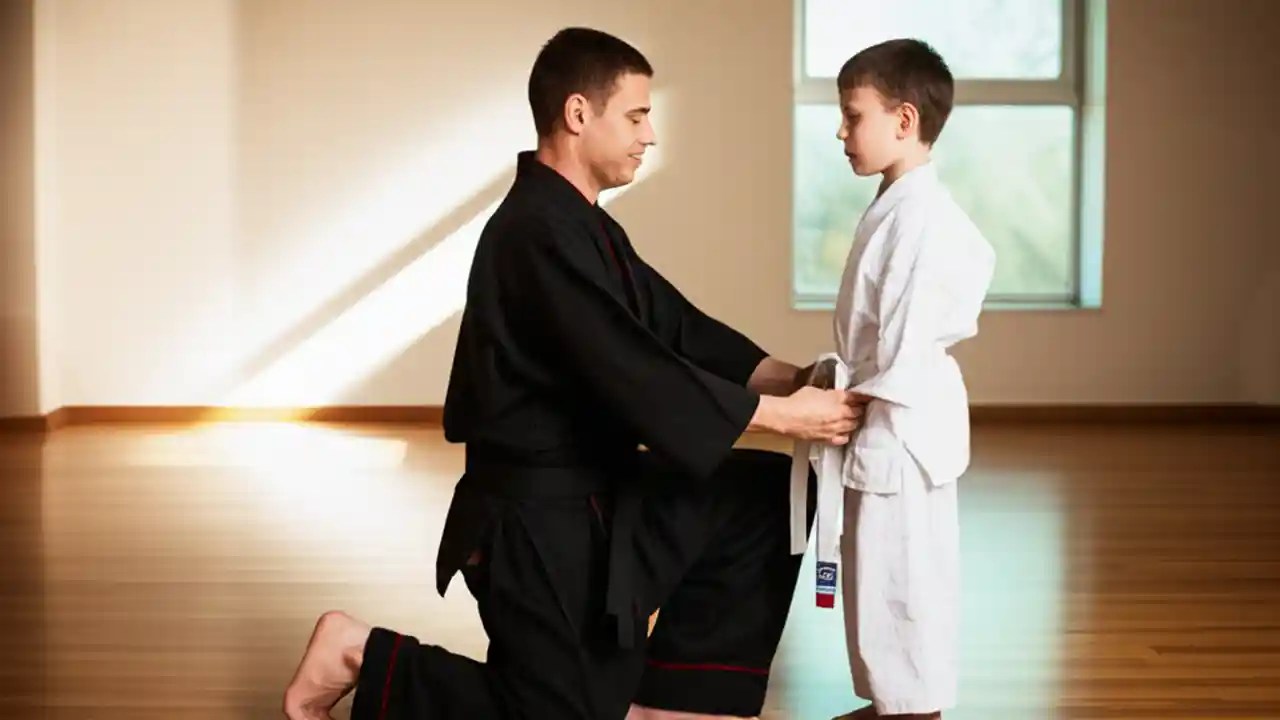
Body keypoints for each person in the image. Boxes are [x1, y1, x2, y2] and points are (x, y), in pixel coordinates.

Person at [282, 26, 867, 720]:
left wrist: (787, 377)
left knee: (762, 499)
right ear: (579, 114)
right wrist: (783, 417)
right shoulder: (530, 233)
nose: (649, 134)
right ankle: (357, 654)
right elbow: (627, 365)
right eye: (637, 114)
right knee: (564, 714)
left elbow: (671, 324)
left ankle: (677, 703)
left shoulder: (583, 225)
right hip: (531, 519)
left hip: (602, 494)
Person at [804, 39, 996, 720]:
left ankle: (913, 711)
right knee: (878, 578)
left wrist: (836, 401)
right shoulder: (899, 201)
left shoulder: (923, 220)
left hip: (900, 424)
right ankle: (895, 705)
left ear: (904, 119)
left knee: (903, 583)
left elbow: (907, 345)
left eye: (853, 116)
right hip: (885, 416)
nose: (841, 131)